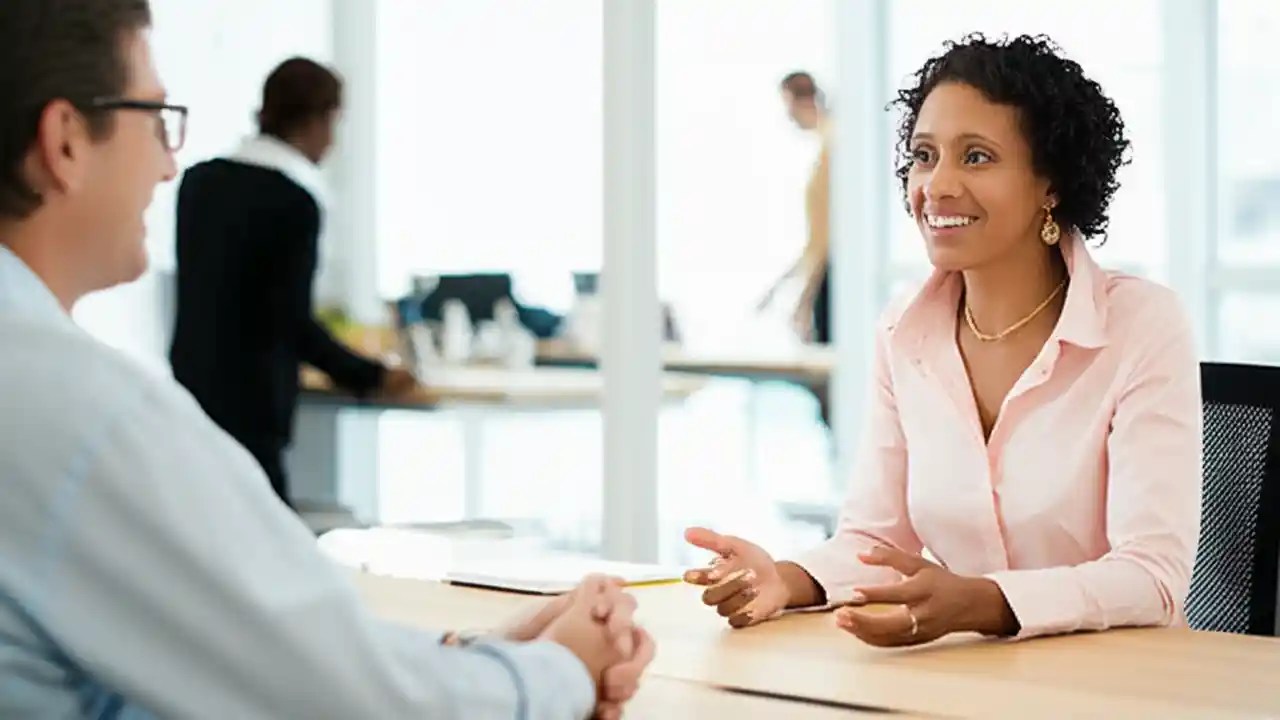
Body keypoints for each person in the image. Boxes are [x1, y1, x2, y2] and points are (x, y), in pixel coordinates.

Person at [0, 2, 652, 717]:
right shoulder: (86, 421)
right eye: (156, 118)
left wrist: (465, 656)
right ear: (64, 142)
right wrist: (561, 672)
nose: (167, 161)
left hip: (203, 388)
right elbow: (346, 703)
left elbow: (225, 660)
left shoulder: (203, 194)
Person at [685, 34, 1202, 646]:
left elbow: (1151, 576)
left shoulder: (1141, 324)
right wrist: (785, 580)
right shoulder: (904, 332)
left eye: (977, 157)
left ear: (1051, 185)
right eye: (924, 155)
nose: (937, 185)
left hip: (1121, 686)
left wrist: (984, 603)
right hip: (969, 679)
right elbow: (876, 541)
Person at [169, 57, 416, 506]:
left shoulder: (199, 183)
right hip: (253, 411)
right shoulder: (292, 202)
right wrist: (371, 375)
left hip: (191, 399)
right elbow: (290, 322)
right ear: (319, 119)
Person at [759, 70, 832, 345]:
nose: (788, 117)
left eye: (788, 106)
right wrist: (778, 288)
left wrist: (803, 302)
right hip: (827, 278)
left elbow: (824, 241)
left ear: (804, 101)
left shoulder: (832, 151)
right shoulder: (830, 147)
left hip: (831, 284)